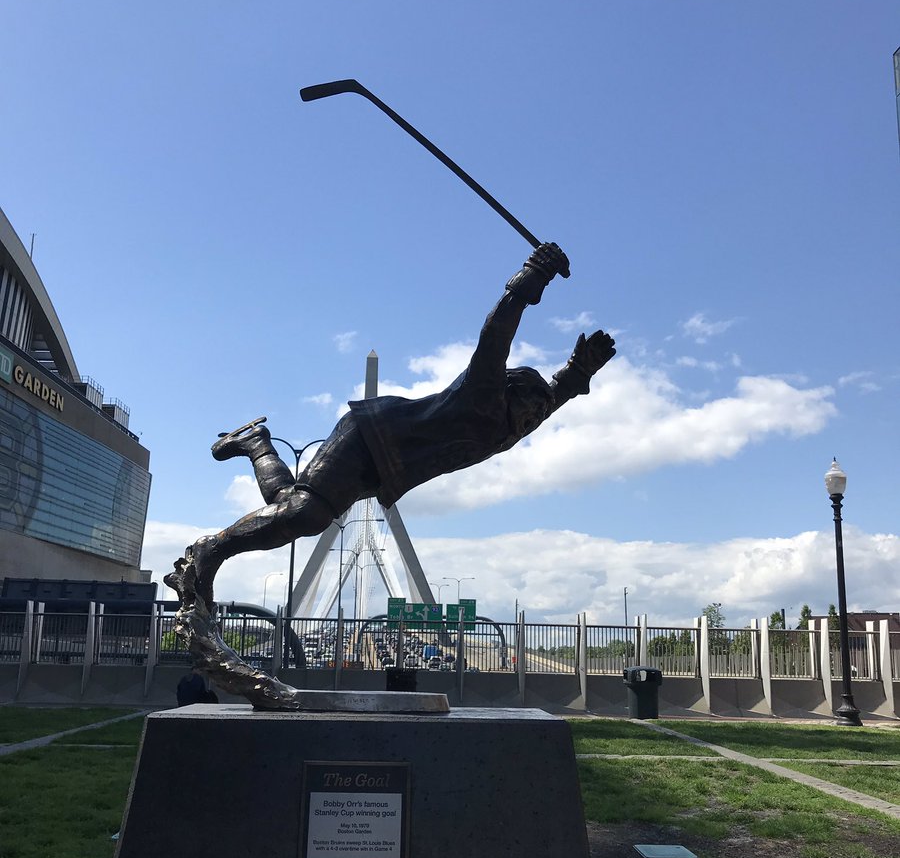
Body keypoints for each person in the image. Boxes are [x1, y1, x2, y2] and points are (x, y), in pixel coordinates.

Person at [167, 243, 614, 610]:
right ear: (509, 393)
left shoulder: (511, 428)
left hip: (386, 470)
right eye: (530, 410)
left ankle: (256, 444)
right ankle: (213, 549)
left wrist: (578, 372)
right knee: (307, 514)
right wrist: (534, 274)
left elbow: (555, 396)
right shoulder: (484, 395)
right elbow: (496, 335)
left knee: (292, 507)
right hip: (371, 437)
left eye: (537, 416)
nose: (534, 420)